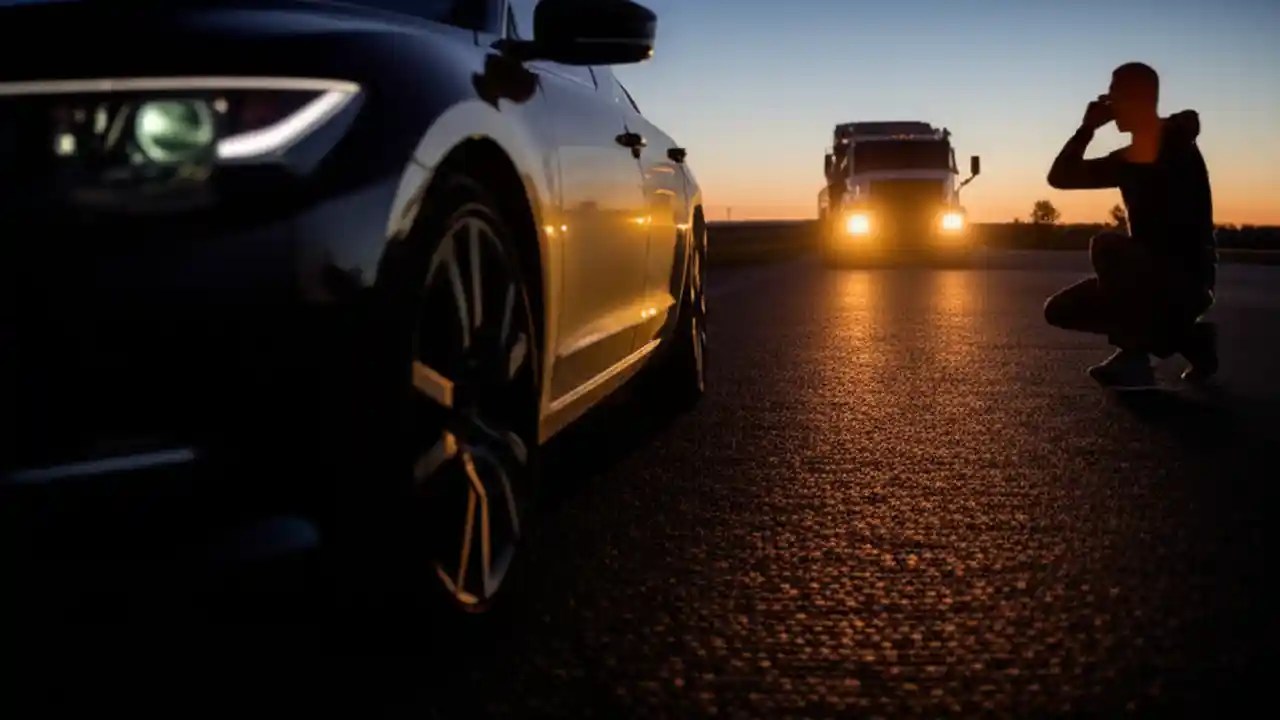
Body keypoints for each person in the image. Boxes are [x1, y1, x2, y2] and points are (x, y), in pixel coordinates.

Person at [1043, 62, 1218, 389]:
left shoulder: (1175, 142)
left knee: (1109, 246)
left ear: (1137, 99)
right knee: (1060, 310)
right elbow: (1060, 177)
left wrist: (1179, 122)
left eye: (1115, 96)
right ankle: (1192, 340)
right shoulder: (1128, 159)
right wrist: (1087, 129)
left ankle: (1135, 359)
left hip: (1188, 278)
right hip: (1150, 279)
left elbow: (1182, 127)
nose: (1109, 105)